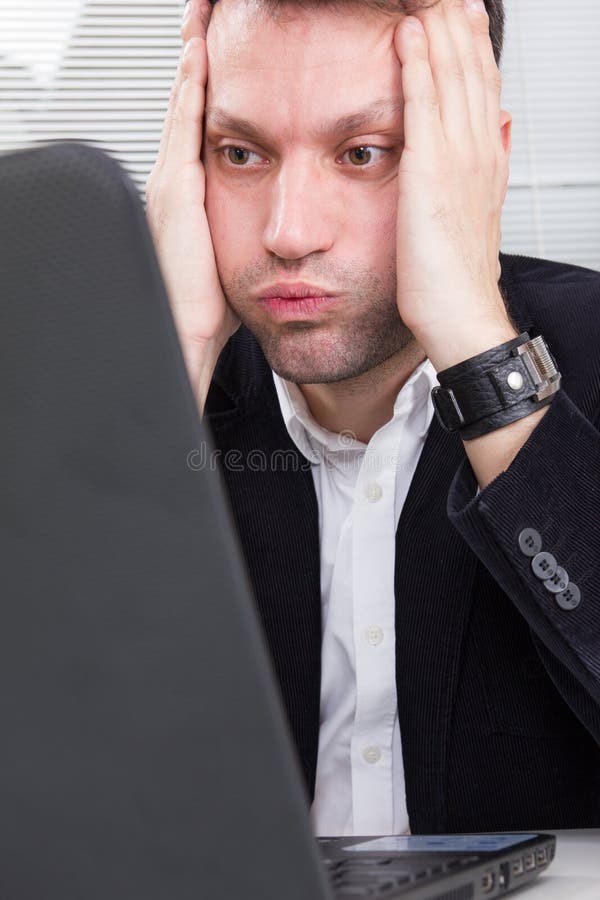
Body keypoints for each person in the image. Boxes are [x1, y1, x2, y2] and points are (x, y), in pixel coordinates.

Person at [146, 0, 600, 835]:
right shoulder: (137, 404)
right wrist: (164, 349)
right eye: (238, 153)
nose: (288, 233)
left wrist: (472, 332)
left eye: (364, 153)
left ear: (478, 170)